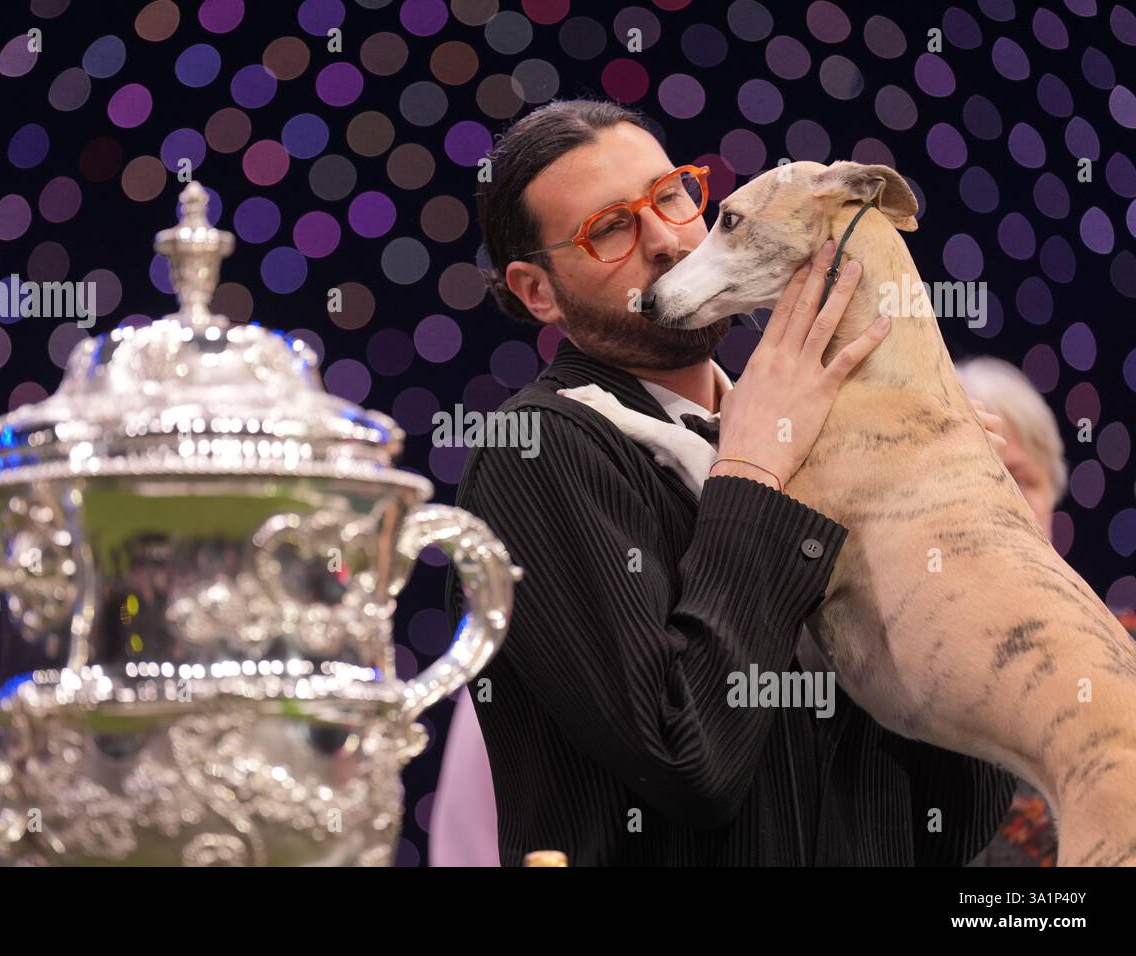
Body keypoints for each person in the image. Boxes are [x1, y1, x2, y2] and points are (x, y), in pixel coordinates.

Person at [431, 98, 1015, 866]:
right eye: (611, 229)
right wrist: (751, 475)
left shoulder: (828, 451)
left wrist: (962, 543)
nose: (669, 239)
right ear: (537, 292)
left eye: (671, 194)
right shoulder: (535, 453)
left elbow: (953, 820)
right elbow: (687, 760)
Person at [956, 356, 1068, 867]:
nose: (1003, 504)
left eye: (1019, 480)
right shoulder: (870, 673)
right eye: (981, 476)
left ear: (1053, 492)